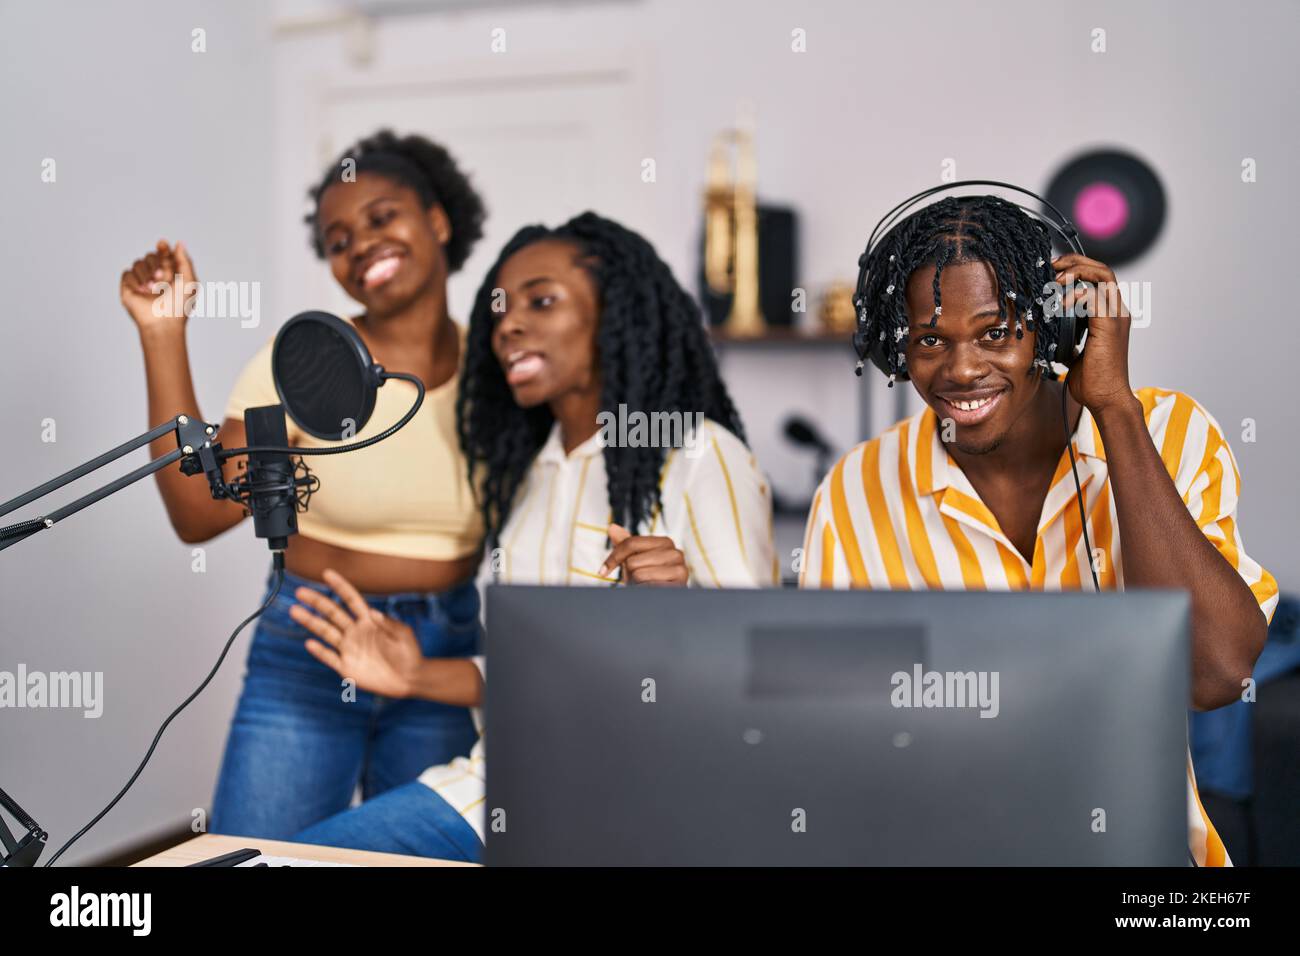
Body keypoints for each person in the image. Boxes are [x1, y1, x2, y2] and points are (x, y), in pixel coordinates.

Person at [799, 194, 1279, 866]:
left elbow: (1217, 674)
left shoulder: (1169, 433)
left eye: (997, 332)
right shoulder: (856, 487)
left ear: (1051, 332)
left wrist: (1113, 410)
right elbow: (829, 729)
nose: (962, 369)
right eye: (931, 340)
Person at [284, 212, 777, 860]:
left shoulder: (697, 455)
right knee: (296, 859)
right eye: (498, 312)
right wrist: (414, 675)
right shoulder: (527, 479)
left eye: (541, 301)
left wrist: (676, 614)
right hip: (495, 792)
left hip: (641, 811)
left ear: (615, 312)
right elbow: (539, 677)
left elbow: (762, 682)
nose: (507, 326)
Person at [118, 130, 490, 838]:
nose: (360, 245)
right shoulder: (308, 363)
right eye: (339, 238)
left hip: (439, 656)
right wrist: (162, 334)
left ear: (439, 220)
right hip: (309, 642)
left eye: (383, 217)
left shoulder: (502, 372)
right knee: (258, 857)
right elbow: (198, 511)